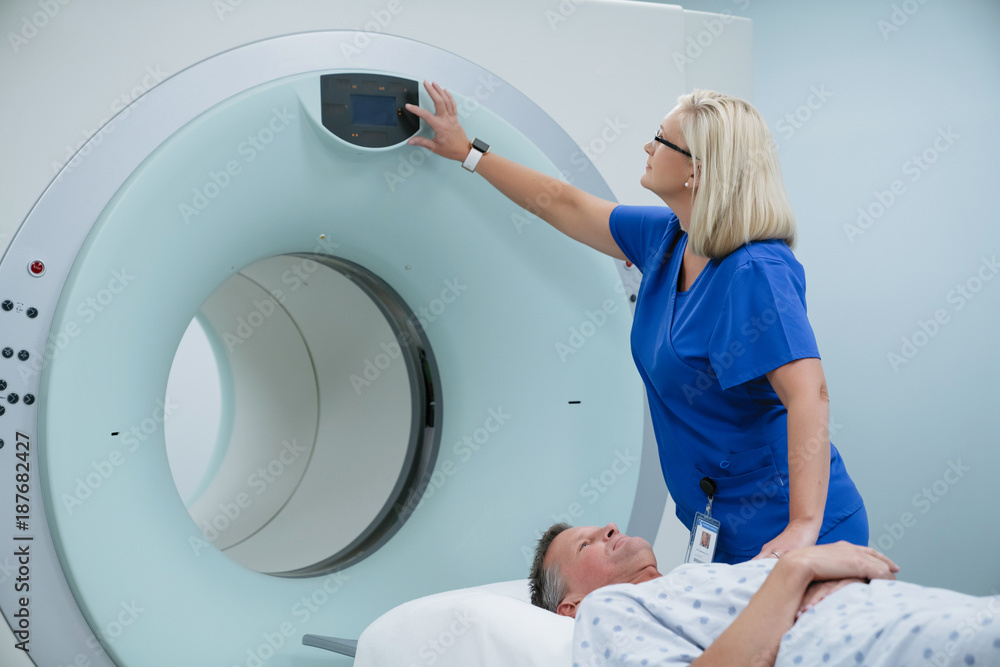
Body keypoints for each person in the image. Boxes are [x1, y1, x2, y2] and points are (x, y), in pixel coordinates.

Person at [406, 81, 866, 562]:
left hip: (788, 529)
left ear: (697, 169)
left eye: (661, 140)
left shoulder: (755, 271)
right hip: (719, 525)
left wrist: (804, 524)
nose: (648, 147)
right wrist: (468, 152)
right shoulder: (670, 238)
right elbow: (567, 204)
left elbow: (808, 393)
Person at [528, 522, 1000, 666]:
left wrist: (841, 576)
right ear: (571, 605)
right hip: (847, 647)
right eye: (585, 543)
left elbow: (872, 567)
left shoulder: (696, 580)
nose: (609, 526)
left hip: (901, 611)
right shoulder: (606, 609)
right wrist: (798, 568)